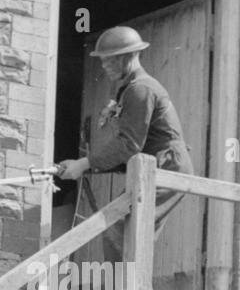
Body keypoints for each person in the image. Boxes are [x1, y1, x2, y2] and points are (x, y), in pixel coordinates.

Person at [54, 25, 193, 240]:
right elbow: (129, 150)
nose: (104, 65)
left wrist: (84, 163)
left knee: (120, 228)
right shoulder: (132, 88)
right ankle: (126, 274)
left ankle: (123, 275)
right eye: (103, 60)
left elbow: (128, 144)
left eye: (110, 59)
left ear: (128, 56)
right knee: (127, 232)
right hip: (156, 166)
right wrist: (82, 166)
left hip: (168, 167)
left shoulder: (141, 89)